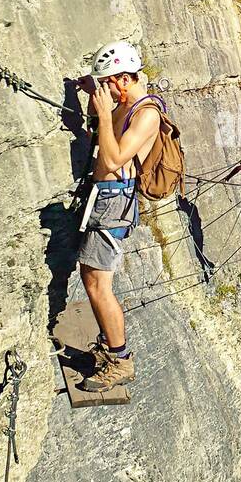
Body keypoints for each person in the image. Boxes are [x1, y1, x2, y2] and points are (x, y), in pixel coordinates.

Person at [75, 41, 161, 392]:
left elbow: (113, 159)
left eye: (108, 83)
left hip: (115, 204)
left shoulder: (146, 114)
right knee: (91, 279)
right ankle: (113, 348)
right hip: (104, 198)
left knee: (98, 285)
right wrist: (97, 104)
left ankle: (120, 361)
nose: (106, 89)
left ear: (124, 79)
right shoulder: (125, 104)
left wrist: (106, 113)